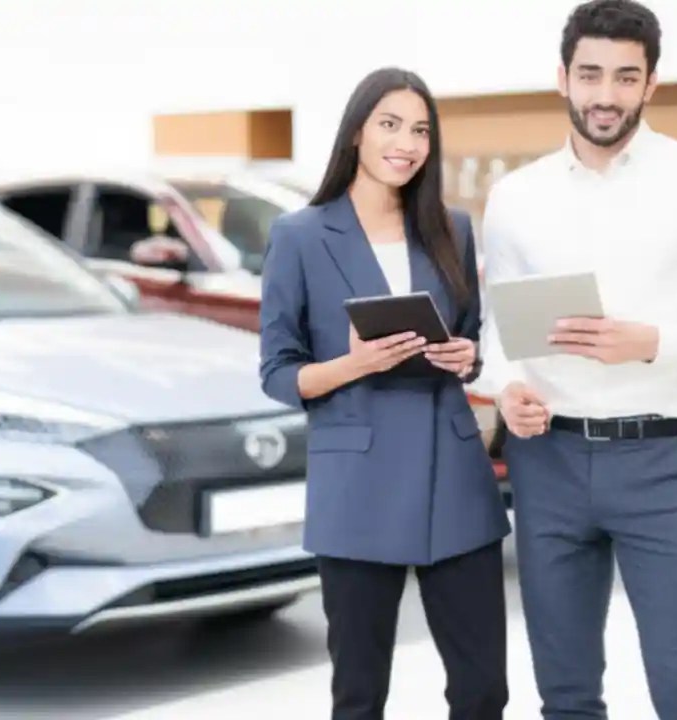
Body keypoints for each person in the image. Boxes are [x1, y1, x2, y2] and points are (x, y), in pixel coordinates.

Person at [479, 1, 677, 718]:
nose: (604, 95)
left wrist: (655, 343)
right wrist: (506, 384)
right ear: (562, 78)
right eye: (589, 75)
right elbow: (498, 326)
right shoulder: (516, 197)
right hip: (546, 461)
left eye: (623, 77)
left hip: (658, 464)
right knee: (566, 694)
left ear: (651, 85)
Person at [259, 66, 511, 720]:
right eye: (390, 124)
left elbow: (470, 338)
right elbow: (279, 373)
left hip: (453, 477)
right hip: (358, 487)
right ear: (356, 135)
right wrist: (354, 362)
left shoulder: (451, 227)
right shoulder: (301, 236)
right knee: (361, 695)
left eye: (421, 129)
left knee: (484, 689)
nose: (407, 141)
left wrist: (467, 356)